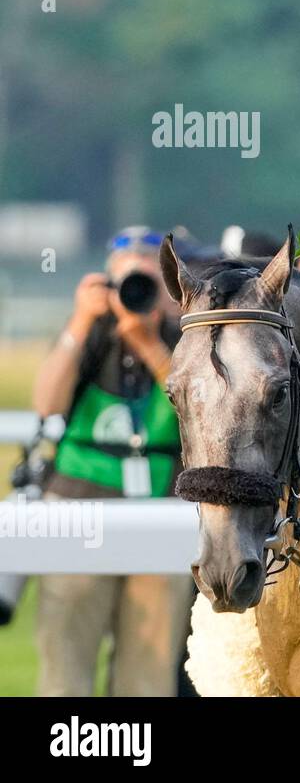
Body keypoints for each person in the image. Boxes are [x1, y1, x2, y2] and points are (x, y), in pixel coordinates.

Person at [29, 225, 195, 696]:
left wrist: (150, 344)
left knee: (149, 675)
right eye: (127, 281)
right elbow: (47, 405)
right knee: (65, 665)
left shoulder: (183, 338)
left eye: (150, 280)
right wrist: (81, 321)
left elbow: (195, 411)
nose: (136, 293)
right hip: (79, 510)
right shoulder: (88, 332)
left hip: (162, 517)